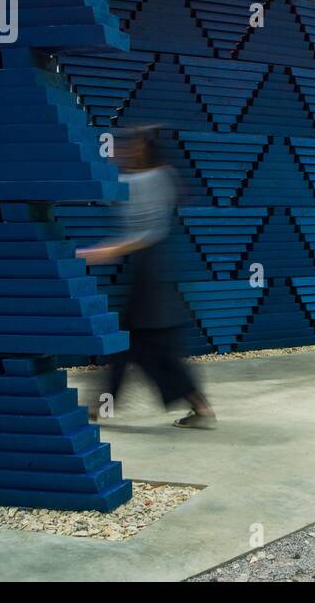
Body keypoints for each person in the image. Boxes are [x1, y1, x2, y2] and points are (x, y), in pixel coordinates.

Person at [77, 128, 215, 430]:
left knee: (140, 342)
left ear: (147, 148)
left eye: (133, 145)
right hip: (147, 267)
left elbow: (150, 230)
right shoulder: (144, 177)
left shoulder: (155, 178)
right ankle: (101, 407)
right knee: (142, 343)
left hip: (150, 265)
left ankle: (99, 408)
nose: (126, 150)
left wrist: (109, 250)